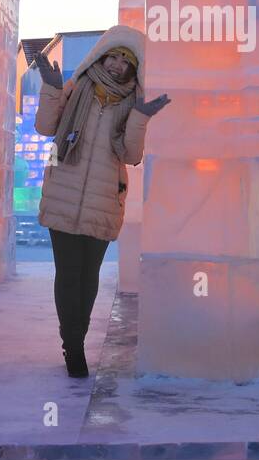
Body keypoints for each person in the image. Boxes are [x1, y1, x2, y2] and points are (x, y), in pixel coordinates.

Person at [33, 26, 169, 378]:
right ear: (100, 56)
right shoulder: (76, 88)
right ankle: (72, 345)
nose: (116, 66)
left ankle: (77, 337)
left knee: (87, 276)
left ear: (134, 69)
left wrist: (140, 118)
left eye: (126, 61)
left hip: (103, 200)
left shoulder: (130, 102)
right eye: (113, 56)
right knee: (67, 274)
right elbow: (46, 127)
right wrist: (50, 89)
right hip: (63, 193)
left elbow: (131, 154)